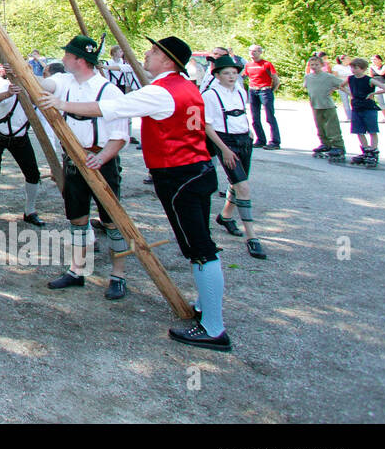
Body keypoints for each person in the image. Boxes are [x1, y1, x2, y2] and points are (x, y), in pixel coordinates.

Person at [42, 36, 231, 352]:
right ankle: (206, 308)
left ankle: (213, 327)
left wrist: (62, 105)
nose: (147, 54)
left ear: (168, 61)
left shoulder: (162, 91)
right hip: (196, 171)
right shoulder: (187, 87)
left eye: (155, 52)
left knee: (200, 249)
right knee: (200, 246)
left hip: (180, 175)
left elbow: (111, 109)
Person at [37, 36, 131, 299]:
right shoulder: (65, 81)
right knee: (77, 218)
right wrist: (19, 73)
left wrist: (101, 159)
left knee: (112, 221)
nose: (63, 59)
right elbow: (44, 84)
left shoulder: (109, 90)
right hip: (74, 161)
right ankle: (77, 270)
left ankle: (118, 275)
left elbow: (120, 135)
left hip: (102, 161)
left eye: (67, 55)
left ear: (79, 60)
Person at [202, 54, 266, 259]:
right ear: (217, 75)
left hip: (243, 139)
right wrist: (224, 149)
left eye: (234, 73)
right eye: (226, 73)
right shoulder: (210, 95)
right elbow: (208, 126)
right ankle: (252, 237)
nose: (232, 76)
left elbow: (243, 114)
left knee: (238, 183)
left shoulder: (240, 91)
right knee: (243, 187)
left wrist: (248, 131)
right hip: (225, 140)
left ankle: (226, 216)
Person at [0, 62, 44, 228]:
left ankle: (30, 211)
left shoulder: (39, 97)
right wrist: (7, 94)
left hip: (18, 137)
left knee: (33, 173)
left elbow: (44, 127)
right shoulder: (10, 87)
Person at [304, 56, 348, 159]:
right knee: (320, 126)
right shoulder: (308, 77)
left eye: (317, 65)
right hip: (315, 105)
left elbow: (342, 84)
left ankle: (338, 146)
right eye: (312, 65)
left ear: (322, 65)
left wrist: (333, 88)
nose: (314, 67)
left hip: (327, 105)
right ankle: (325, 143)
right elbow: (306, 86)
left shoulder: (328, 77)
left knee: (332, 126)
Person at [103, 44, 141, 144]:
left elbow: (121, 69)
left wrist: (104, 66)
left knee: (127, 112)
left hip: (123, 88)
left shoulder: (124, 64)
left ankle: (128, 134)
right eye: (120, 51)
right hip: (113, 88)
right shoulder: (109, 62)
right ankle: (112, 132)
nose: (122, 53)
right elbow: (105, 77)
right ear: (114, 52)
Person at [245, 44, 281, 150]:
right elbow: (247, 77)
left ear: (260, 52)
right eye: (251, 51)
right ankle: (260, 140)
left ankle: (275, 141)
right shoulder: (248, 65)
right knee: (255, 117)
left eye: (255, 51)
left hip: (264, 90)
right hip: (252, 90)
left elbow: (276, 79)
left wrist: (270, 90)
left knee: (270, 117)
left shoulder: (267, 64)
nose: (252, 53)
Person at [346, 58, 381, 167]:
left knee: (372, 130)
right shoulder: (350, 79)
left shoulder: (368, 80)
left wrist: (373, 94)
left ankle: (373, 151)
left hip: (368, 107)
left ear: (363, 69)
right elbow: (341, 86)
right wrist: (351, 94)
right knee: (358, 130)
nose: (353, 70)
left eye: (355, 68)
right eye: (352, 67)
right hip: (356, 107)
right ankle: (365, 150)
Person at [370, 54, 385, 124]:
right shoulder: (372, 68)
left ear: (380, 60)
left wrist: (373, 68)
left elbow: (381, 73)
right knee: (381, 103)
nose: (373, 61)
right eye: (372, 60)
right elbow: (371, 77)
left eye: (374, 59)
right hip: (377, 87)